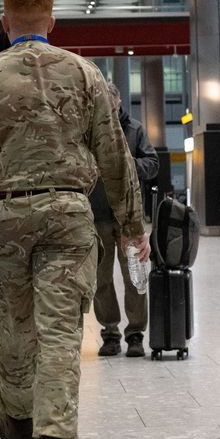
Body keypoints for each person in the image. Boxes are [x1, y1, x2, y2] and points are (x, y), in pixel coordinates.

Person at [0, 0, 148, 439]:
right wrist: (131, 225)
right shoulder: (84, 73)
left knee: (13, 324)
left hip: (4, 216)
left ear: (6, 24)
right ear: (52, 22)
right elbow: (114, 152)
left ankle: (16, 417)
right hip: (69, 212)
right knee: (61, 331)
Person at [91, 82, 159, 358]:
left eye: (111, 105)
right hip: (97, 217)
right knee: (100, 278)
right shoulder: (89, 131)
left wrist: (126, 163)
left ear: (118, 104)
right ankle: (109, 332)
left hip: (128, 217)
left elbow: (153, 164)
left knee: (135, 275)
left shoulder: (135, 131)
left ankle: (135, 334)